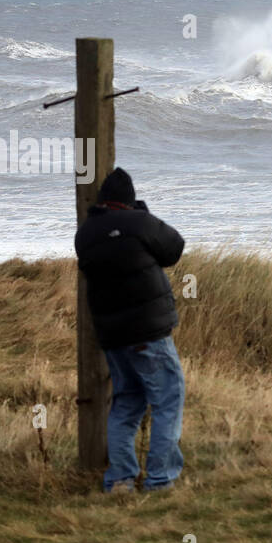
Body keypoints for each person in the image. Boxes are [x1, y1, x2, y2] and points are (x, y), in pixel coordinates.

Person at [74, 167, 186, 493]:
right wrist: (144, 214)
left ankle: (120, 480)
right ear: (129, 200)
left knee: (126, 403)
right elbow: (173, 248)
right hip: (148, 332)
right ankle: (160, 479)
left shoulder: (86, 233)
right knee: (167, 400)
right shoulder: (139, 222)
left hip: (112, 336)